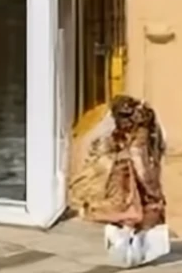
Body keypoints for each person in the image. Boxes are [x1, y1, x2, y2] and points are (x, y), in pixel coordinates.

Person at [70, 95, 167, 232]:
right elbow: (140, 164)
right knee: (134, 213)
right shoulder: (140, 132)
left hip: (114, 181)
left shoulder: (107, 130)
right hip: (124, 184)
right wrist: (153, 192)